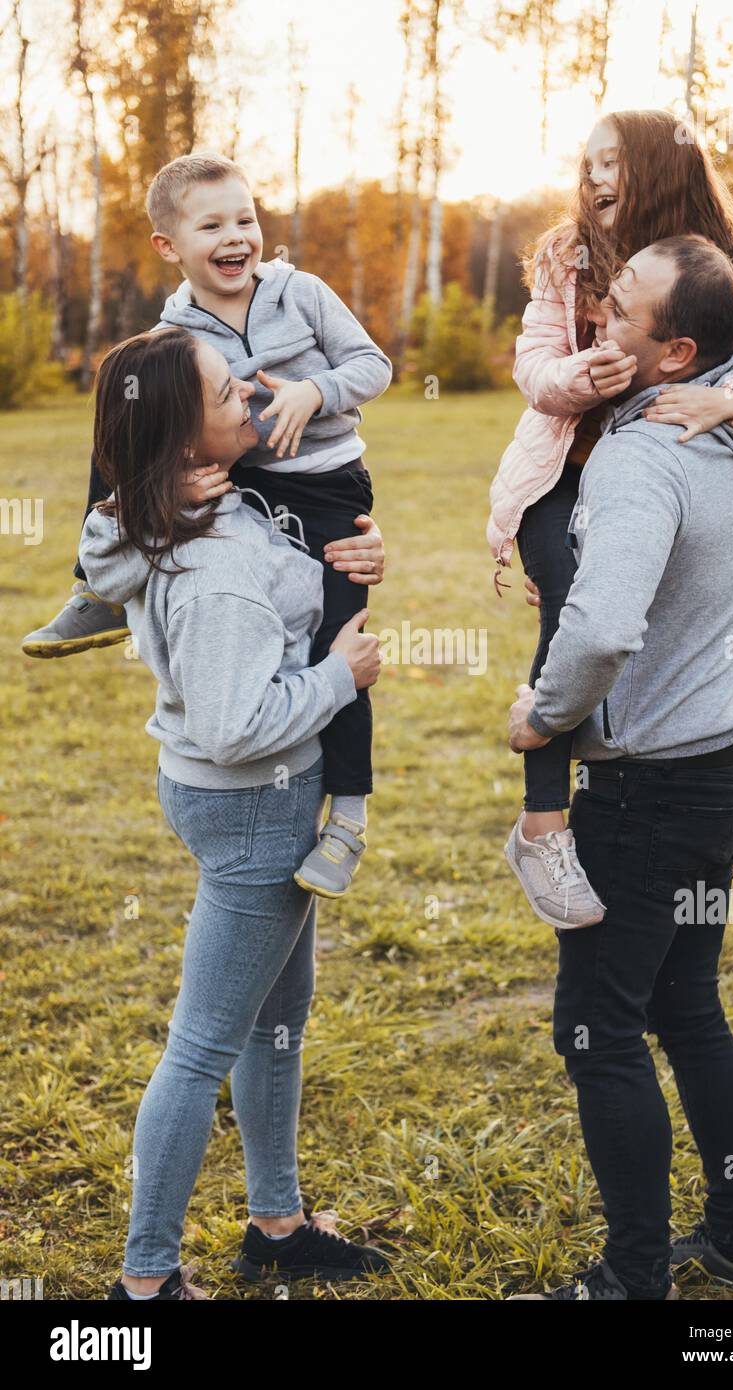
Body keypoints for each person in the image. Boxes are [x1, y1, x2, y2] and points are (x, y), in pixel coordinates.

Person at [78, 327, 388, 1301]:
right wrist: (342, 675)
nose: (253, 398)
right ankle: (147, 1277)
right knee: (206, 1041)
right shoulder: (210, 569)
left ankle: (277, 1222)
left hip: (247, 803)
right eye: (226, 394)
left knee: (275, 1023)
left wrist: (362, 548)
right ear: (181, 438)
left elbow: (301, 543)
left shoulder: (201, 504)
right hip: (256, 802)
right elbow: (234, 723)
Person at [506, 234, 733, 1302]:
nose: (596, 322)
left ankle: (632, 1279)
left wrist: (545, 716)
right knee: (691, 1009)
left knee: (599, 1030)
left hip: (648, 791)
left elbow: (599, 630)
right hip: (727, 770)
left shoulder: (640, 456)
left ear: (673, 352)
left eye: (618, 310)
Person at [23, 153, 393, 900]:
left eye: (246, 220)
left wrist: (316, 392)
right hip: (247, 477)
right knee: (130, 403)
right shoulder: (174, 326)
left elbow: (374, 365)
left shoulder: (301, 293)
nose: (236, 238)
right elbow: (156, 418)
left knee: (338, 642)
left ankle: (348, 815)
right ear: (170, 247)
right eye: (212, 225)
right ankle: (91, 587)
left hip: (325, 487)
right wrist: (165, 476)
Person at [490, 109, 733, 931]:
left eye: (612, 164)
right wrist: (575, 377)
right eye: (586, 162)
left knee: (714, 613)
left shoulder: (716, 263)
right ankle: (543, 825)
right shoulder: (567, 255)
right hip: (570, 472)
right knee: (575, 605)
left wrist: (728, 396)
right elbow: (532, 368)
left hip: (664, 473)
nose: (593, 178)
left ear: (660, 177)